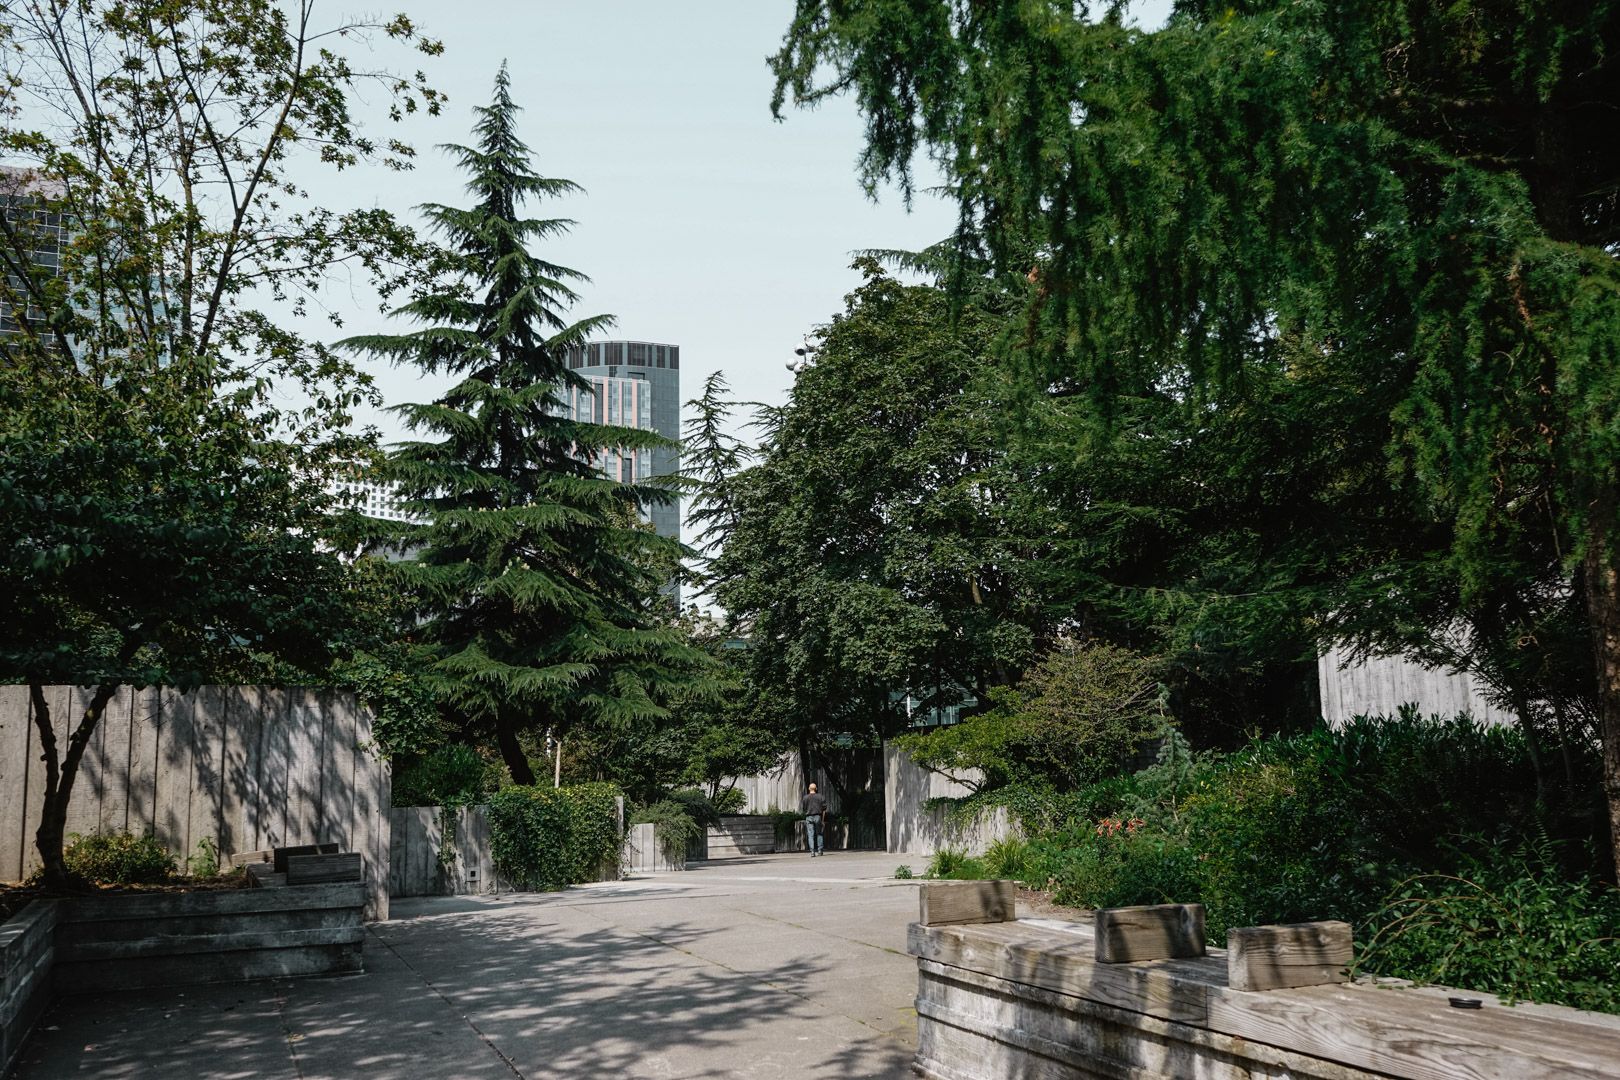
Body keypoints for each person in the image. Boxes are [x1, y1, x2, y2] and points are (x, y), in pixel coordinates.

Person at [800, 782, 829, 856]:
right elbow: (824, 809)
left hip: (809, 816)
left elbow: (804, 809)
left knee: (810, 834)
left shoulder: (805, 798)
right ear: (816, 789)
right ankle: (820, 850)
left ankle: (812, 851)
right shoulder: (820, 796)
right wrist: (822, 820)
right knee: (819, 833)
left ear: (809, 789)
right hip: (818, 816)